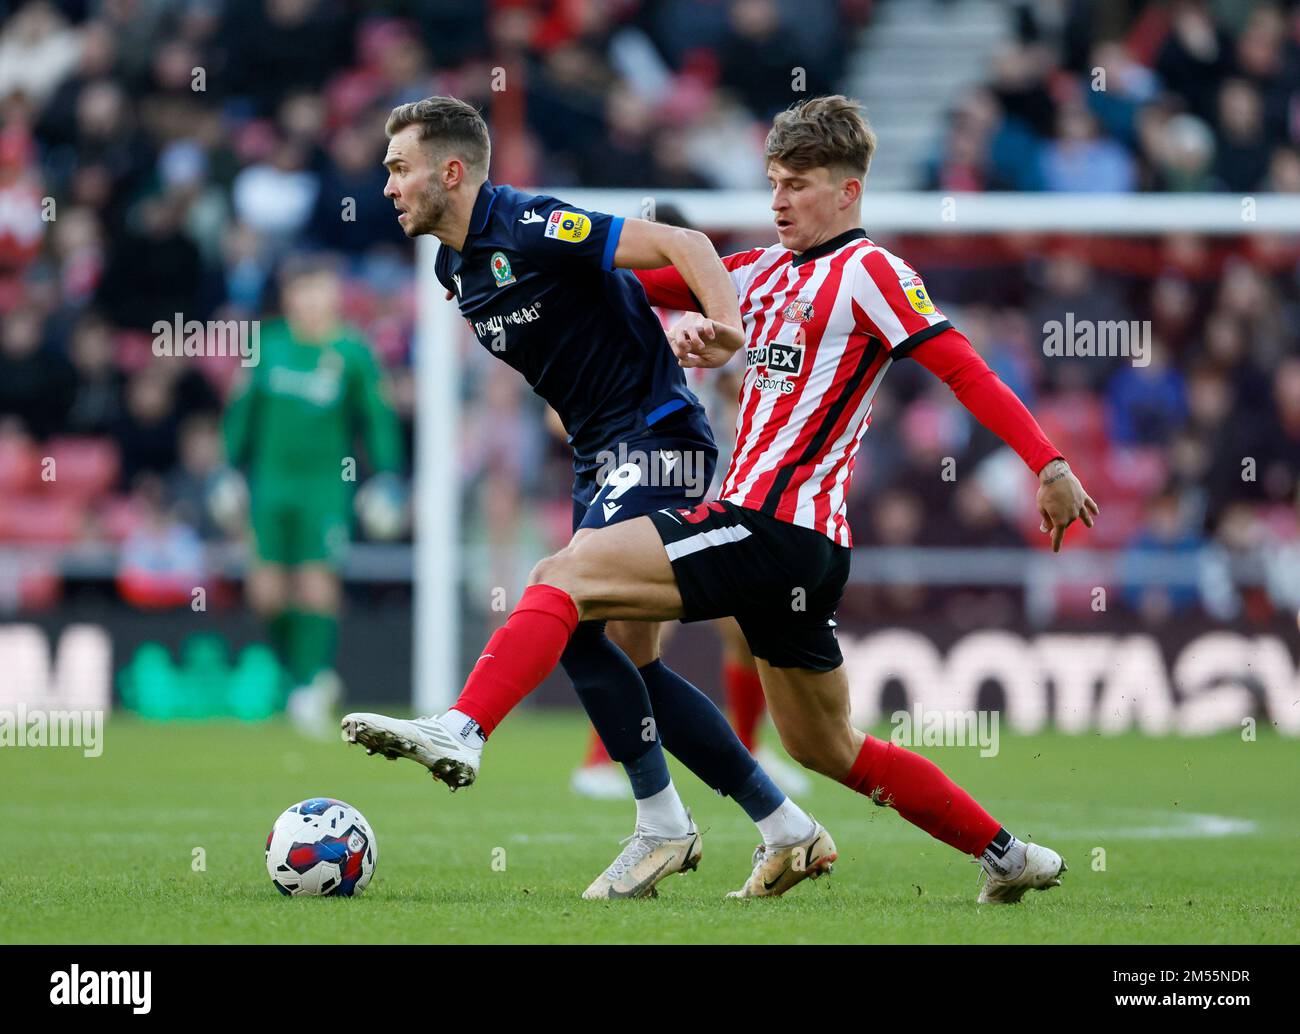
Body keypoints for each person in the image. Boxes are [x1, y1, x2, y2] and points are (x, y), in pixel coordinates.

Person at [350, 96, 833, 901]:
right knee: (609, 655)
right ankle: (779, 824)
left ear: (453, 170)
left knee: (559, 582)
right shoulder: (452, 266)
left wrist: (729, 331)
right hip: (599, 456)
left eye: (400, 168)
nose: (389, 185)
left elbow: (684, 242)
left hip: (660, 438)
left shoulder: (535, 222)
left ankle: (465, 728)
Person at [222, 256, 405, 736]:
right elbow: (242, 411)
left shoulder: (351, 351)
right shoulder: (267, 346)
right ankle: (297, 676)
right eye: (302, 292)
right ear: (289, 298)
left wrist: (386, 475)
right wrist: (226, 468)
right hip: (270, 483)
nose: (311, 301)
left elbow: (377, 418)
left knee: (316, 585)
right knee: (264, 594)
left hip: (325, 486)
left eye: (320, 290)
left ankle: (310, 684)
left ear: (334, 296)